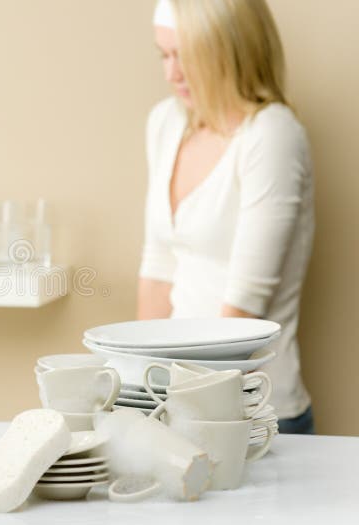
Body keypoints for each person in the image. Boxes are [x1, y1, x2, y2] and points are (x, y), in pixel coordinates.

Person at [137, 0, 315, 433]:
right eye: (165, 54)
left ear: (229, 51)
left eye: (186, 56)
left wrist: (176, 406)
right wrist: (138, 391)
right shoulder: (166, 122)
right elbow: (159, 269)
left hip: (251, 412)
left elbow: (245, 307)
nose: (171, 74)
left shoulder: (271, 136)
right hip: (176, 404)